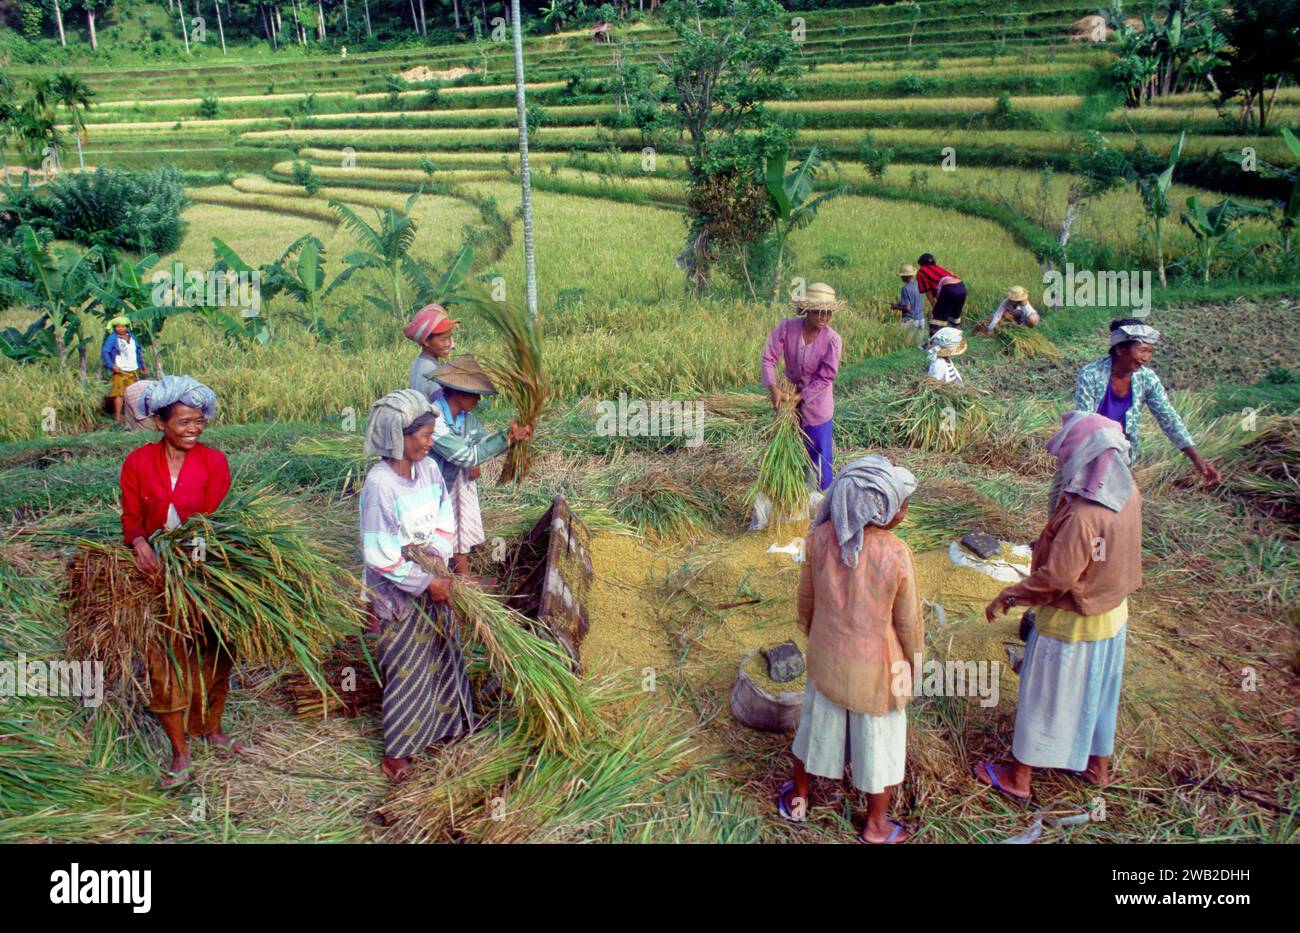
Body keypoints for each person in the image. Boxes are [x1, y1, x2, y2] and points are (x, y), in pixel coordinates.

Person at [977, 412, 1143, 800]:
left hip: (1073, 624)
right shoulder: (1128, 493)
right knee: (1099, 694)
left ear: (1085, 460)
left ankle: (1019, 778)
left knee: (1045, 697)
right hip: (1113, 616)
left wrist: (1011, 595)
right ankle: (1096, 767)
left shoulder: (1086, 516)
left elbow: (1058, 579)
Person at [777, 455, 923, 844]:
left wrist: (817, 636)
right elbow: (908, 621)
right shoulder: (895, 553)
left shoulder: (819, 537)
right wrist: (914, 660)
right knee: (879, 745)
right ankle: (876, 825)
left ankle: (800, 798)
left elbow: (805, 601)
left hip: (828, 658)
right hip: (877, 670)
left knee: (813, 730)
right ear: (879, 511)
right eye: (900, 504)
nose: (905, 511)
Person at [119, 375, 236, 789]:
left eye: (199, 421)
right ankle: (179, 749)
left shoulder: (214, 462)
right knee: (164, 659)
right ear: (160, 424)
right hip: (154, 575)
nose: (193, 429)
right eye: (183, 421)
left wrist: (192, 562)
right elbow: (131, 516)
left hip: (204, 572)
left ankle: (211, 726)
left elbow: (214, 520)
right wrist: (139, 544)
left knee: (214, 650)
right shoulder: (137, 464)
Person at [360, 389, 470, 784]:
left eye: (430, 433)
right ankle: (398, 754)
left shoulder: (429, 470)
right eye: (421, 434)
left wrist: (437, 556)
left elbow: (444, 516)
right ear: (395, 436)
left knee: (442, 654)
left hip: (434, 574)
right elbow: (380, 552)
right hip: (399, 593)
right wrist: (424, 582)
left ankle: (442, 731)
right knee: (408, 669)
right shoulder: (380, 484)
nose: (428, 441)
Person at [1074, 319, 1220, 484]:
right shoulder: (1091, 374)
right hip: (1090, 452)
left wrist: (1197, 460)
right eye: (1142, 350)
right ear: (1121, 349)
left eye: (1150, 352)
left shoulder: (1146, 378)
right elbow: (1084, 422)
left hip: (1123, 455)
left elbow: (1168, 417)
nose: (1146, 358)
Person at [428, 355, 533, 575]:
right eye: (474, 394)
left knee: (457, 527)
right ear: (457, 392)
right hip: (430, 489)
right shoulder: (434, 420)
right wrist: (507, 437)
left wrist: (513, 437)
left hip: (453, 483)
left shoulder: (467, 419)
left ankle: (461, 579)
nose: (478, 399)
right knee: (433, 536)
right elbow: (467, 457)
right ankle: (444, 581)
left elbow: (483, 442)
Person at [760, 282, 845, 491]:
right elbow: (768, 358)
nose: (824, 318)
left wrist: (800, 397)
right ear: (806, 310)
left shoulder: (832, 340)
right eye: (818, 312)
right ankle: (791, 494)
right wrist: (773, 388)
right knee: (789, 450)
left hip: (817, 406)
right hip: (786, 402)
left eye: (829, 313)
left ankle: (820, 501)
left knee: (819, 454)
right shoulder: (787, 328)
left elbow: (826, 378)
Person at [404, 303, 459, 403]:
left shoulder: (419, 362)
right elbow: (442, 408)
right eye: (443, 339)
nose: (449, 343)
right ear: (426, 341)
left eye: (450, 337)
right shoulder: (431, 370)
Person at [102, 316, 148, 426]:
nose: (120, 329)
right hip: (120, 369)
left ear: (127, 327)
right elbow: (105, 352)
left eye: (122, 326)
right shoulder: (113, 338)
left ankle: (132, 417)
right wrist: (112, 365)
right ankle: (117, 418)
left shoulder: (131, 337)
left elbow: (137, 351)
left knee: (133, 393)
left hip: (133, 369)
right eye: (117, 326)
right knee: (119, 393)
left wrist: (142, 365)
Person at [915, 253, 966, 335]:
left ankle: (933, 345)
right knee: (955, 321)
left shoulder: (921, 271)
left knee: (935, 323)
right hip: (962, 287)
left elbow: (928, 292)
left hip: (949, 288)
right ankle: (958, 343)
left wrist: (935, 308)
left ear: (921, 263)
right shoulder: (939, 268)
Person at [892, 263, 926, 333]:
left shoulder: (905, 288)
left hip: (910, 320)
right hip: (921, 319)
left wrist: (896, 307)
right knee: (919, 342)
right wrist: (899, 304)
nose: (901, 278)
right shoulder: (920, 284)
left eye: (902, 276)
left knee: (908, 342)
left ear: (906, 276)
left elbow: (908, 308)